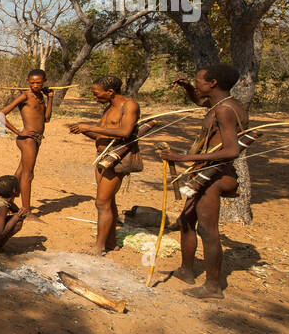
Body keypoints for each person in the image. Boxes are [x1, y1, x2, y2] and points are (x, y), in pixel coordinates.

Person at [156, 64, 249, 299]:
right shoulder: (220, 103)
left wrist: (182, 157)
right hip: (205, 173)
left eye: (198, 81)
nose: (197, 84)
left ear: (213, 83)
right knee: (186, 221)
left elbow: (231, 151)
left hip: (215, 177)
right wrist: (187, 87)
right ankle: (186, 271)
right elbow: (199, 102)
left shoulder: (225, 110)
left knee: (208, 231)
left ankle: (213, 287)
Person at [67, 76, 142, 254]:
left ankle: (98, 247)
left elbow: (125, 132)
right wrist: (83, 130)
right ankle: (110, 243)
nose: (95, 97)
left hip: (117, 159)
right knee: (109, 202)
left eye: (96, 94)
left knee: (101, 203)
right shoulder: (109, 107)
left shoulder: (129, 106)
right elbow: (103, 136)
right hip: (103, 157)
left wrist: (90, 127)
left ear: (110, 92)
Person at [0, 69, 54, 217]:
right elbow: (0, 114)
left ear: (44, 82)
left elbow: (46, 118)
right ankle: (26, 211)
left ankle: (7, 202)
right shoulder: (25, 96)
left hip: (36, 140)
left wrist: (50, 98)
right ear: (28, 82)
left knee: (20, 172)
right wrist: (18, 132)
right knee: (28, 175)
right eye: (33, 82)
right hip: (27, 140)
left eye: (39, 82)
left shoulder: (41, 97)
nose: (36, 85)